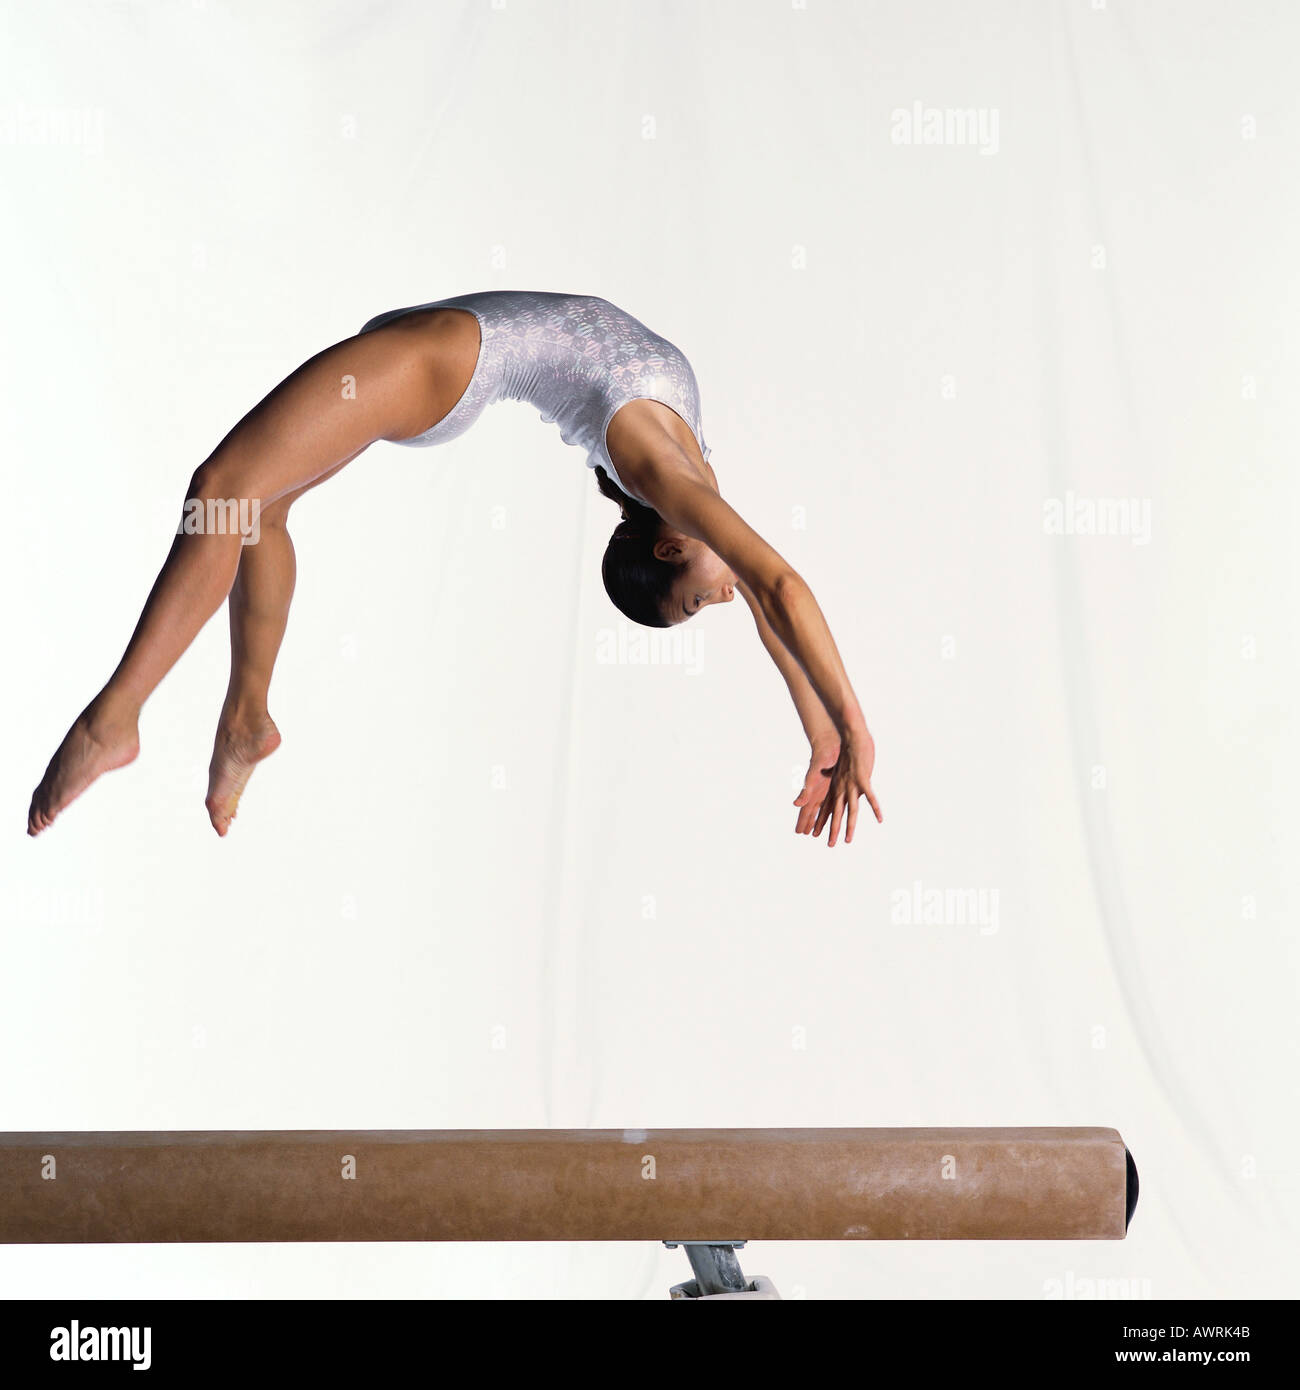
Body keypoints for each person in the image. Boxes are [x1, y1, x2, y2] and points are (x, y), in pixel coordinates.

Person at [27, 291, 882, 844]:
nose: (725, 596)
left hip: (442, 365)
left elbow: (774, 602)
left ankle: (115, 718)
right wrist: (837, 732)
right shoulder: (681, 477)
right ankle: (245, 719)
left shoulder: (671, 481)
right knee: (253, 507)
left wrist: (829, 730)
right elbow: (779, 596)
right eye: (701, 605)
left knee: (223, 493)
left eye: (700, 605)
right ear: (668, 547)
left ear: (667, 548)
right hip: (432, 351)